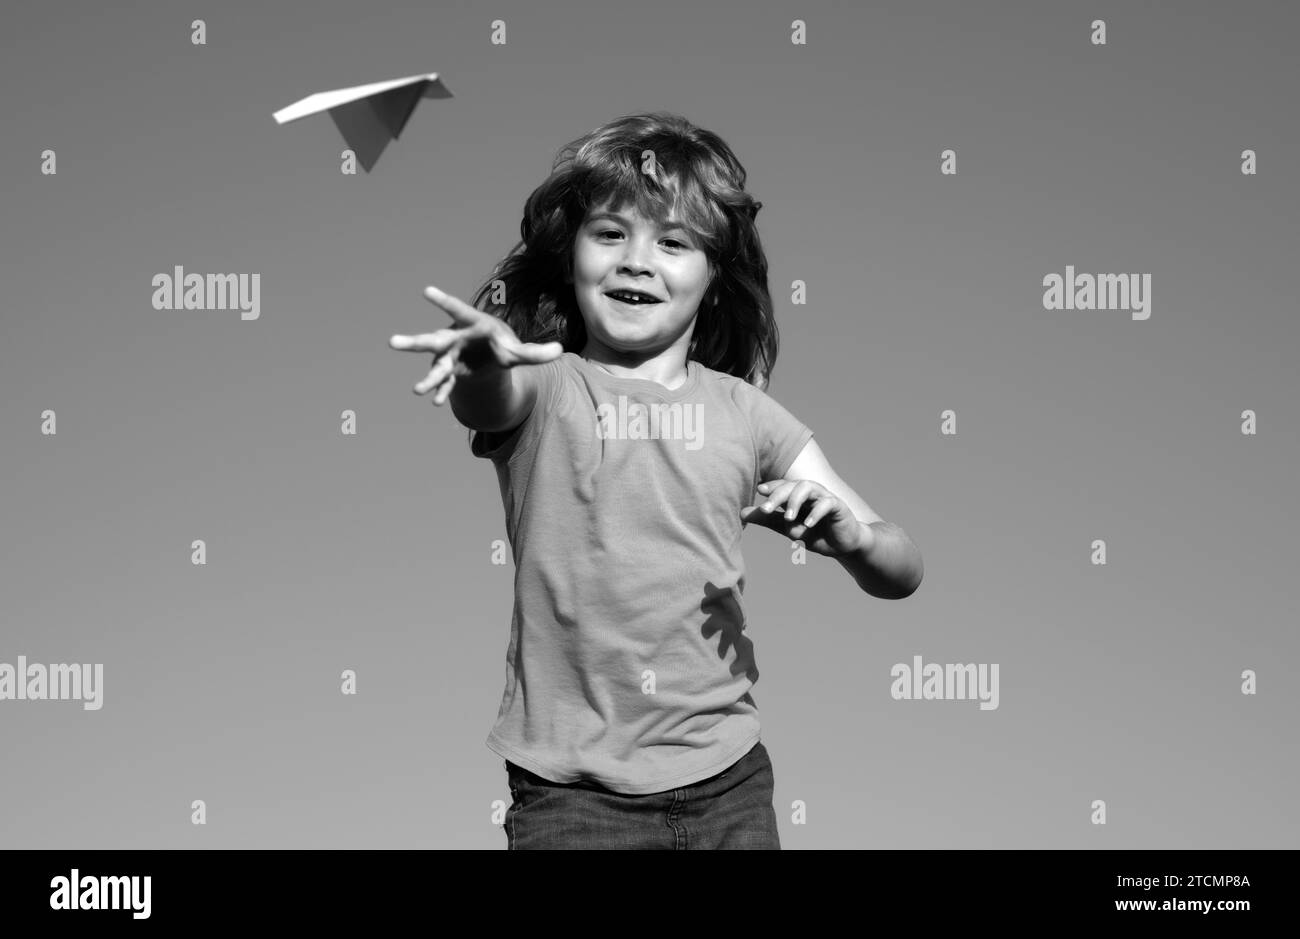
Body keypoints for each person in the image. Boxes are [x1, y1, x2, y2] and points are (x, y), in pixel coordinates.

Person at [390, 112, 923, 849]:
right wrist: (485, 363)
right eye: (610, 233)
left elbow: (903, 568)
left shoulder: (748, 415)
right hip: (571, 797)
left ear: (712, 275)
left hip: (727, 782)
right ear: (570, 254)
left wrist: (852, 535)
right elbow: (489, 402)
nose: (636, 260)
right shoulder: (548, 387)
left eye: (673, 242)